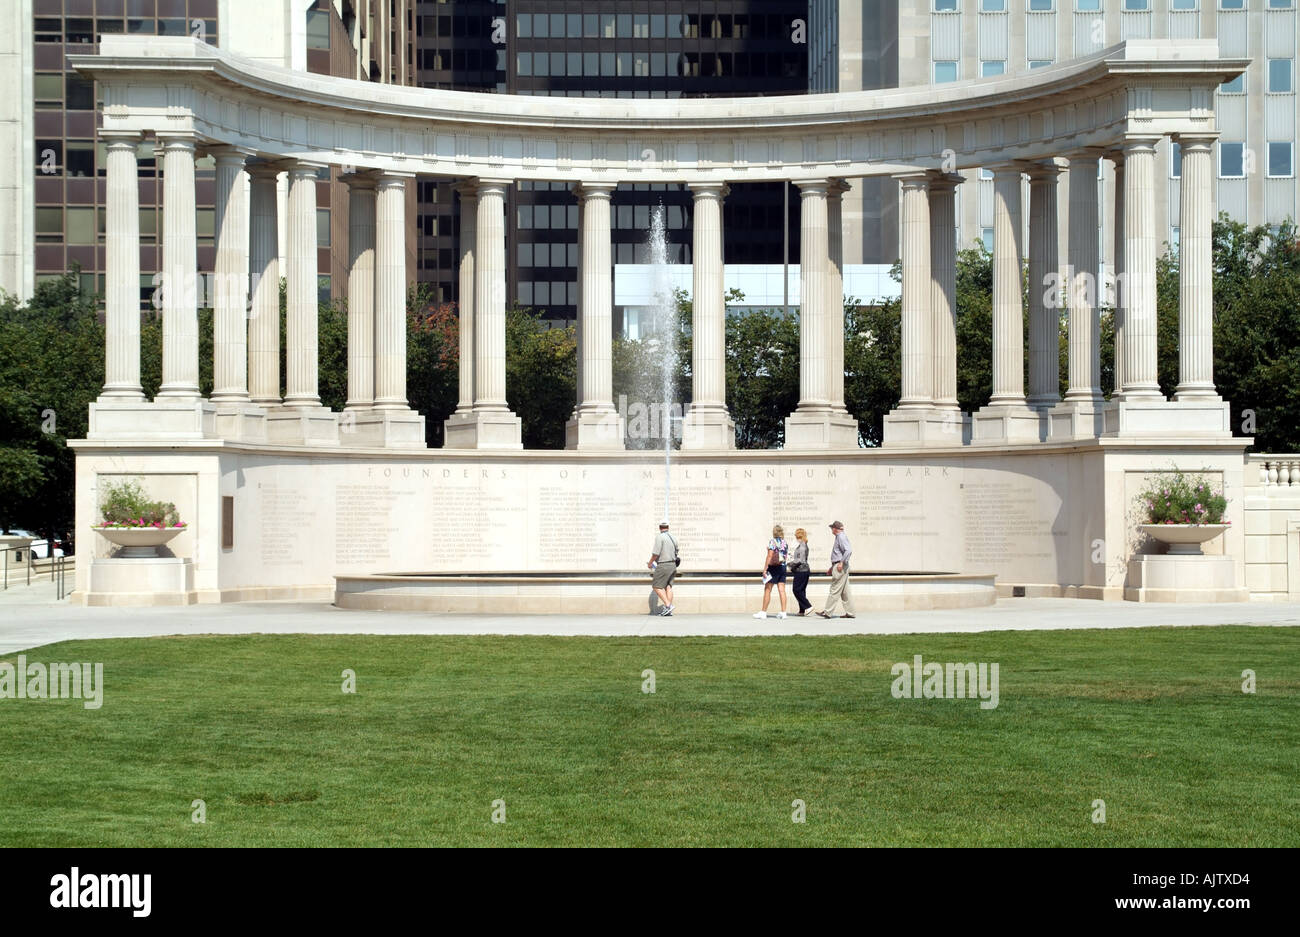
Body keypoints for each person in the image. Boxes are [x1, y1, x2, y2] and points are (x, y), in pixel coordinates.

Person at [817, 520, 855, 619]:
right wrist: (832, 567)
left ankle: (828, 612)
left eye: (832, 528)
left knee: (834, 589)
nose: (831, 530)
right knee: (845, 591)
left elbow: (848, 550)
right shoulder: (840, 536)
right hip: (839, 565)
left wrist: (841, 562)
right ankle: (850, 612)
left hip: (840, 566)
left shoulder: (841, 537)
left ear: (835, 529)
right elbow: (839, 553)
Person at [753, 524, 789, 619]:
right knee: (782, 590)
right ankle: (783, 612)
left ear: (774, 532)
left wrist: (765, 569)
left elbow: (770, 556)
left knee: (768, 589)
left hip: (774, 568)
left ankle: (763, 612)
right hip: (783, 567)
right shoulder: (784, 543)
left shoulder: (772, 542)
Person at [647, 521, 678, 616]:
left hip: (663, 565)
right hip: (673, 565)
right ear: (668, 527)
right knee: (668, 586)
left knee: (656, 586)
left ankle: (668, 606)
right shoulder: (673, 538)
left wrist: (650, 562)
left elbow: (656, 553)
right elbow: (676, 551)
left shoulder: (659, 537)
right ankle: (668, 610)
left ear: (660, 527)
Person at [788, 528, 812, 616]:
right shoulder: (804, 544)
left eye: (796, 535)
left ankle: (808, 606)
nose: (795, 537)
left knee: (796, 590)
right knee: (801, 591)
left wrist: (790, 564)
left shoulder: (802, 545)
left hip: (801, 571)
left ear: (799, 535)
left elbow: (800, 560)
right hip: (804, 570)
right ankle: (802, 610)